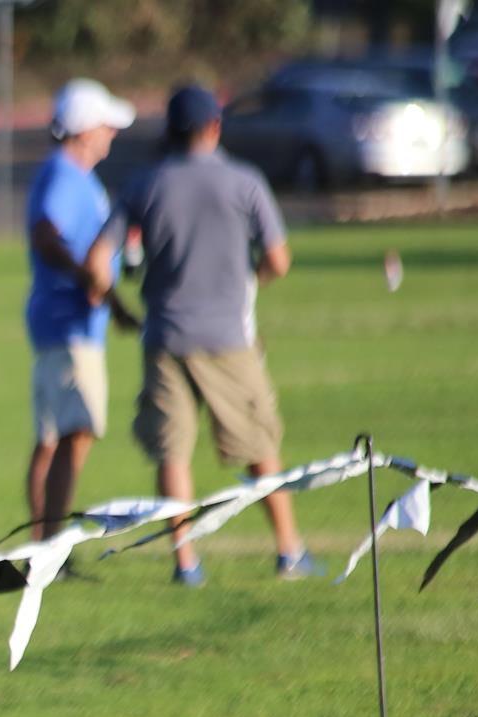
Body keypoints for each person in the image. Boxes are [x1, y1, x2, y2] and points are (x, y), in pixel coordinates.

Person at [83, 85, 322, 585]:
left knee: (173, 453)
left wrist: (120, 311)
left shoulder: (144, 184)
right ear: (214, 126)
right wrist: (252, 280)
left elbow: (96, 264)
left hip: (165, 336)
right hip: (228, 338)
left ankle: (186, 563)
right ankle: (288, 551)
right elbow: (279, 259)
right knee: (259, 446)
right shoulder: (244, 181)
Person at [23, 78, 139, 541]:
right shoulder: (66, 175)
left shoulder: (72, 175)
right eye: (107, 125)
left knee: (56, 436)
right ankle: (51, 545)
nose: (112, 132)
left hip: (65, 321)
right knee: (75, 434)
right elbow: (46, 235)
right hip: (69, 322)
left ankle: (43, 543)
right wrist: (90, 281)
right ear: (87, 129)